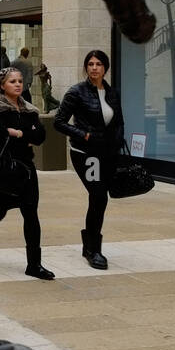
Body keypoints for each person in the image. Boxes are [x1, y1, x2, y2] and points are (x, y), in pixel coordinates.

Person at [0, 67, 54, 280]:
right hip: (3, 169)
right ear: (2, 85)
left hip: (26, 169)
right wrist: (26, 133)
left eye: (20, 81)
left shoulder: (30, 109)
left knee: (31, 214)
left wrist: (18, 133)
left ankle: (34, 264)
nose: (18, 84)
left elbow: (41, 136)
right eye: (12, 81)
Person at [54, 49, 125, 270]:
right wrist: (83, 135)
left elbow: (119, 121)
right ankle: (93, 249)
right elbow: (59, 121)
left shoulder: (112, 93)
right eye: (90, 64)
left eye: (99, 64)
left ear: (105, 68)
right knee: (98, 196)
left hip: (108, 153)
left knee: (100, 198)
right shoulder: (77, 92)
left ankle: (90, 246)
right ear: (86, 67)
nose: (94, 67)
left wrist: (117, 141)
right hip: (86, 154)